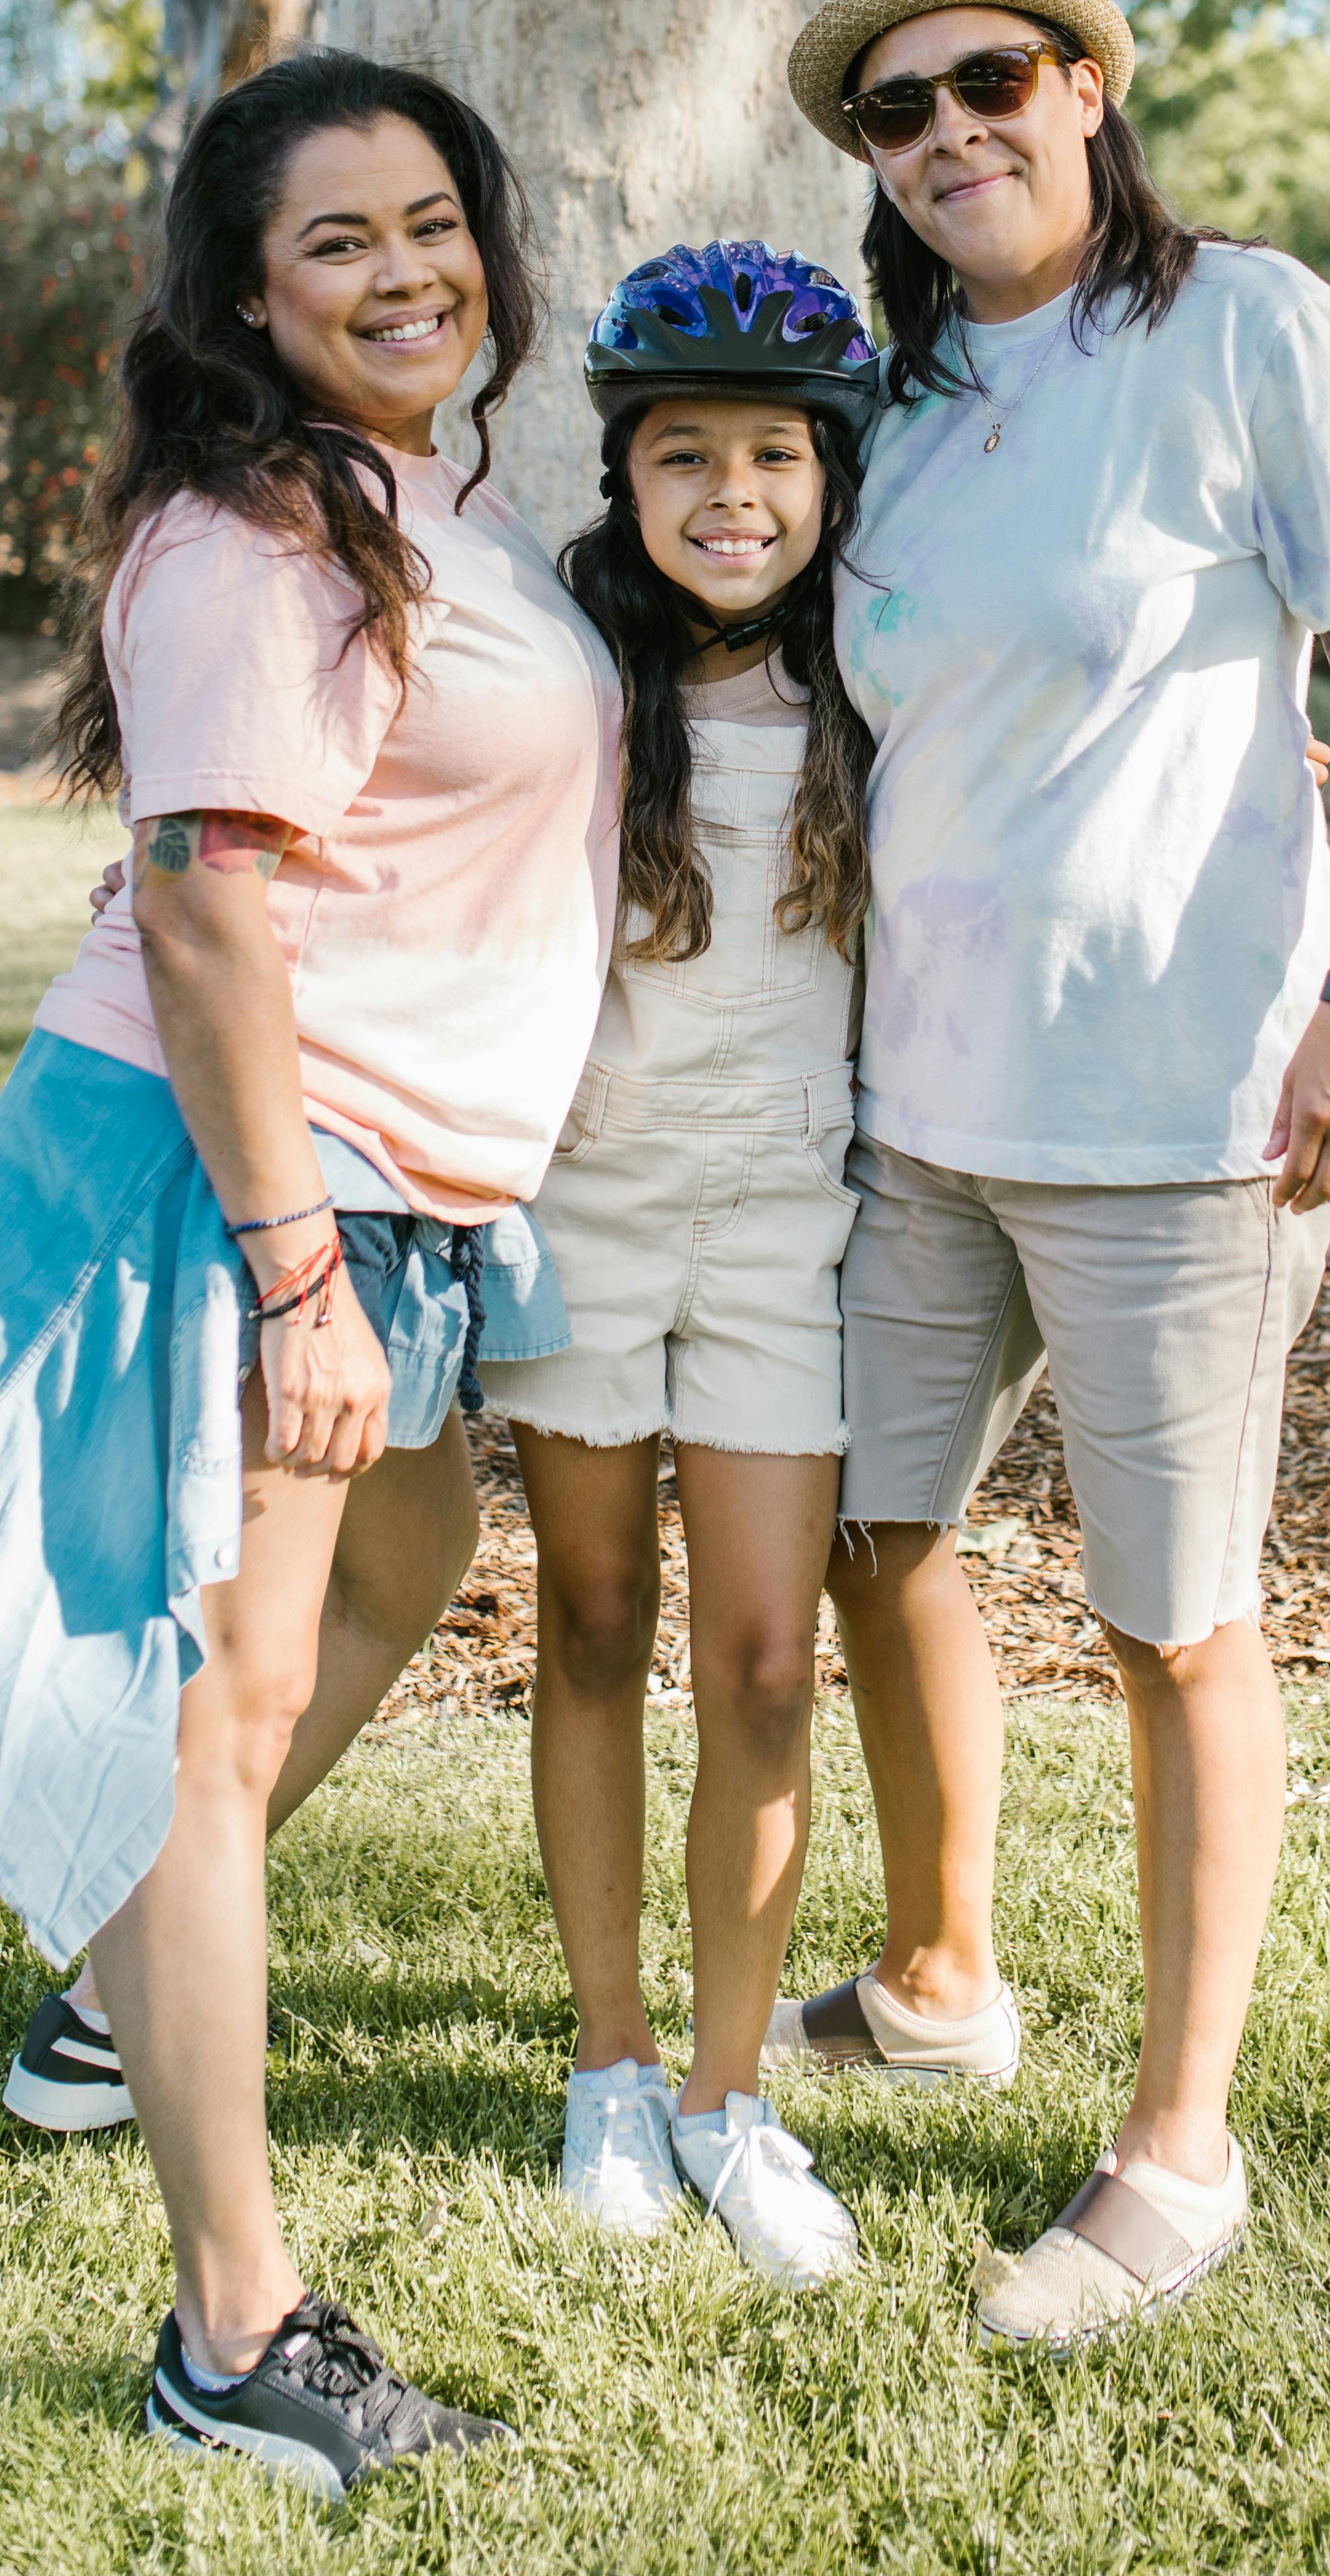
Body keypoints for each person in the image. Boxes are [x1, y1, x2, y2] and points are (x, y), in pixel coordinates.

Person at [0, 48, 620, 2494]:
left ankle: (114, 1996)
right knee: (218, 1692)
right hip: (253, 1171)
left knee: (402, 1557)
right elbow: (201, 903)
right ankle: (233, 2329)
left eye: (430, 222)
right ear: (249, 295)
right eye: (336, 243)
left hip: (389, 1172)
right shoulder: (249, 532)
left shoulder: (426, 499)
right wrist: (292, 1267)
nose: (403, 273)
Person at [770, 0, 1330, 2351]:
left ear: (1083, 88)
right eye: (898, 108)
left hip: (1183, 1109)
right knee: (871, 1533)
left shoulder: (1244, 324)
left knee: (1172, 1623)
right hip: (915, 1102)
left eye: (992, 80)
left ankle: (1179, 2147)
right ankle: (943, 1972)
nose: (949, 130)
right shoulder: (901, 402)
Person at [478, 245, 879, 2291]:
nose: (733, 493)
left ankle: (731, 2096)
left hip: (786, 1223)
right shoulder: (565, 674)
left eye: (774, 455)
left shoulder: (876, 682)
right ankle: (611, 2064)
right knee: (589, 1617)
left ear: (832, 474)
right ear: (624, 471)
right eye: (686, 453)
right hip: (587, 1203)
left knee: (760, 1658)